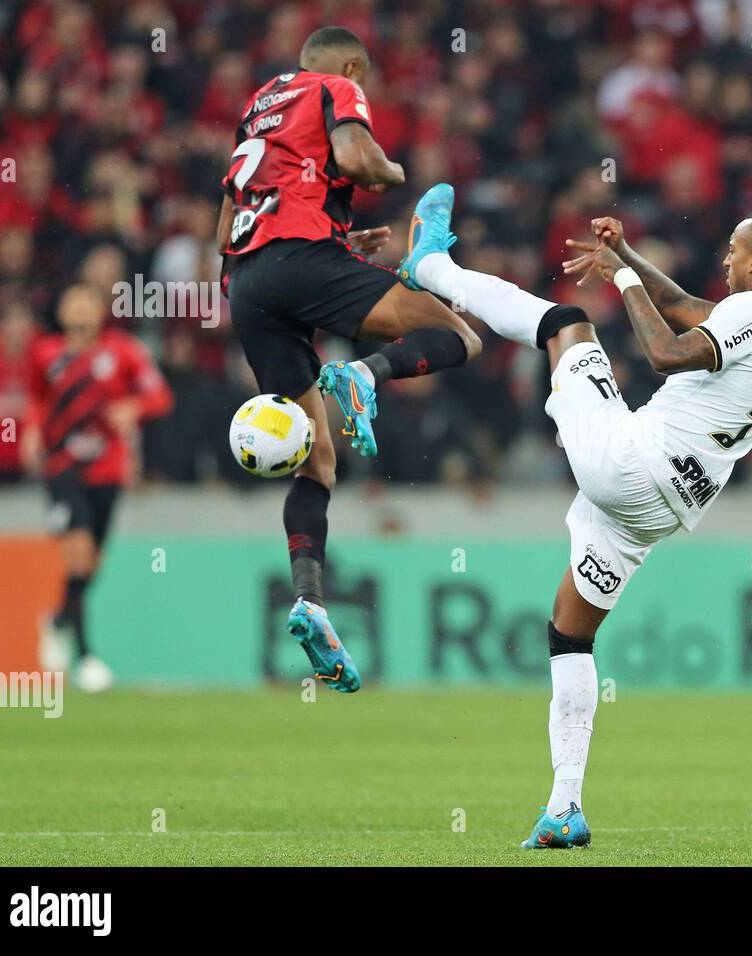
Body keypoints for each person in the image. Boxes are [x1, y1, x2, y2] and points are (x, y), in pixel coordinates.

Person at [384, 183, 752, 848]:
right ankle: (563, 808)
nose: (725, 261)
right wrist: (631, 259)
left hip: (636, 462)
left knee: (564, 325)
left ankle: (431, 267)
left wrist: (621, 284)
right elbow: (689, 309)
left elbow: (667, 351)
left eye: (734, 252)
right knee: (569, 633)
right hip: (667, 504)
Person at [217, 26, 482, 692]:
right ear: (353, 66)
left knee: (318, 462)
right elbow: (358, 158)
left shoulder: (259, 105)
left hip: (249, 285)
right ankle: (364, 374)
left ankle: (308, 599)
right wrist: (397, 172)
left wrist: (337, 236)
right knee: (461, 335)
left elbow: (227, 227)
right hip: (302, 261)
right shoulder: (338, 87)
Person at [26, 285, 174, 691]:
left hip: (108, 470)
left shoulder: (123, 351)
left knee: (91, 566)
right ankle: (87, 658)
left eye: (87, 302)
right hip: (62, 467)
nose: (80, 309)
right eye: (72, 301)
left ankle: (57, 619)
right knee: (77, 555)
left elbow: (160, 396)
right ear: (60, 309)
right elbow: (36, 401)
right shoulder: (45, 353)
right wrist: (30, 434)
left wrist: (134, 407)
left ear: (100, 310)